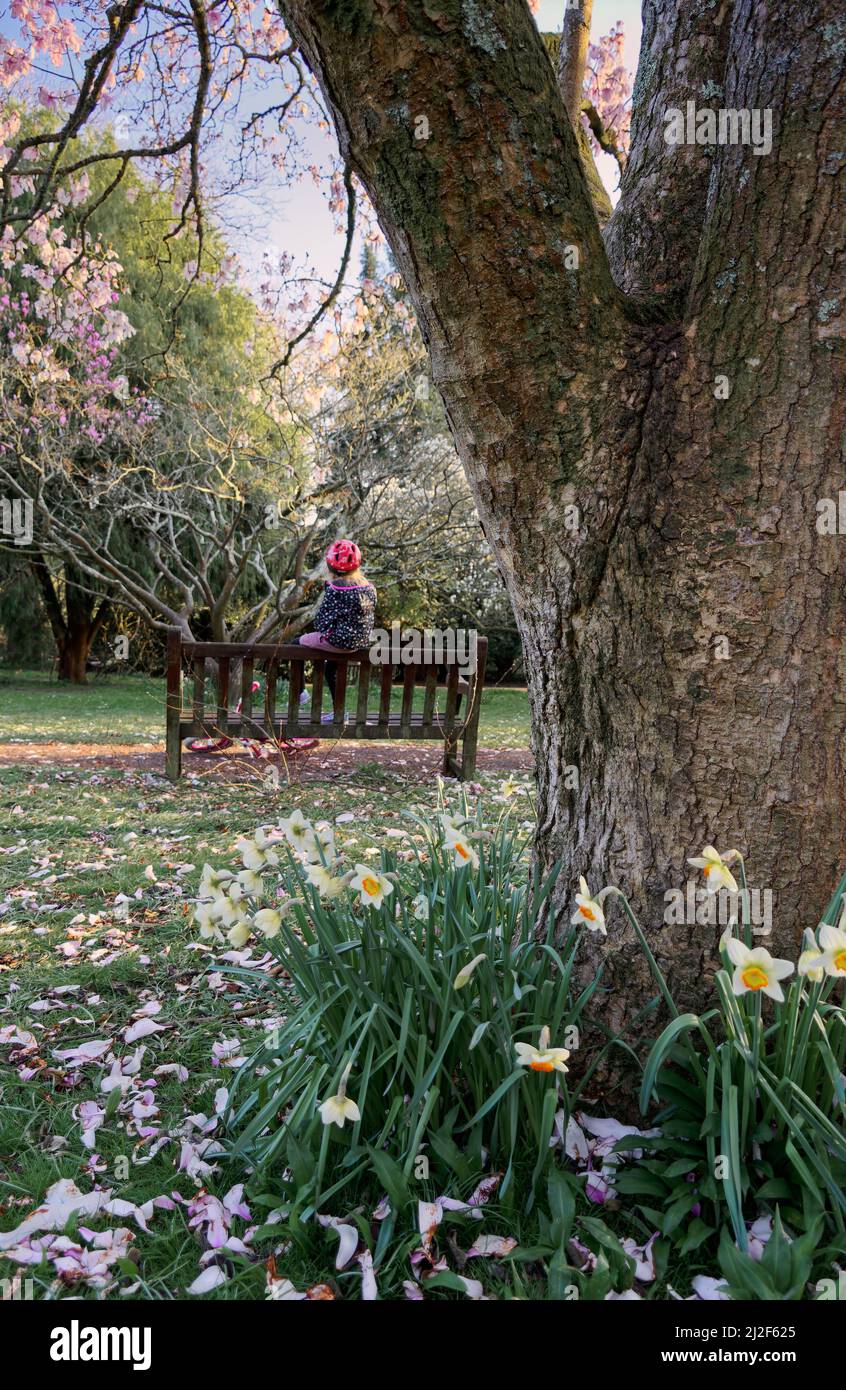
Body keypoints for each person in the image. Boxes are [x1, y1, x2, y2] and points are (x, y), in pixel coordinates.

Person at [296, 540, 377, 706]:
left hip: (338, 642)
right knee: (330, 669)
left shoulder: (335, 590)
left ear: (330, 566)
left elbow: (322, 623)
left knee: (295, 643)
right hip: (359, 643)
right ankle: (339, 710)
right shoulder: (369, 588)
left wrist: (326, 632)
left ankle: (301, 692)